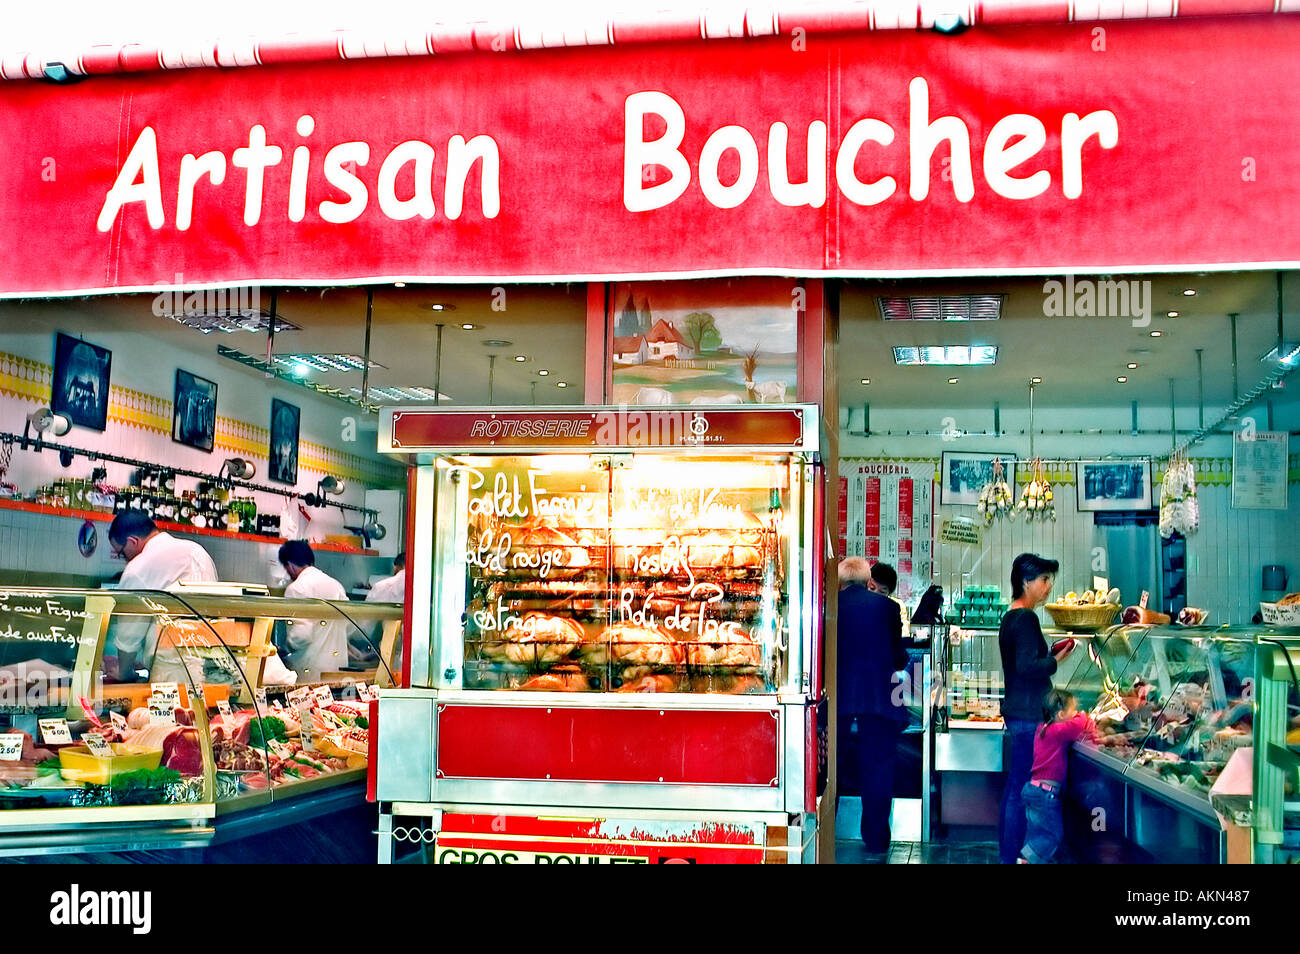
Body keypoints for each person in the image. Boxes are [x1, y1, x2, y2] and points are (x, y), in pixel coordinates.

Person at [997, 552, 1074, 864]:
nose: (1048, 587)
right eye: (1044, 580)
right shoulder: (1026, 618)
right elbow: (1028, 666)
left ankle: (1010, 854)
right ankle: (1015, 856)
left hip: (1019, 714)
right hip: (1030, 717)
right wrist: (1056, 660)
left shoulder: (1011, 616)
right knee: (1020, 791)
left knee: (1015, 789)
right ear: (1026, 582)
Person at [837, 556, 908, 858]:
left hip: (837, 697)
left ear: (840, 581)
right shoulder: (888, 608)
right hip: (880, 698)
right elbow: (898, 657)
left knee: (830, 768)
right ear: (869, 580)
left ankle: (826, 831)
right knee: (877, 768)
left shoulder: (828, 606)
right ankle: (876, 839)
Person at [107, 510, 218, 680]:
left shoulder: (138, 568)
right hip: (213, 668)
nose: (125, 559)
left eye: (122, 553)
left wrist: (124, 673)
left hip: (172, 670)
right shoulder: (198, 551)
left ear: (132, 541)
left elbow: (129, 635)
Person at [1020, 690, 1097, 864]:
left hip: (1034, 790)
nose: (1076, 713)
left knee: (1035, 833)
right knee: (1053, 835)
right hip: (1045, 795)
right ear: (1061, 714)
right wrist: (1083, 716)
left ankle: (1028, 859)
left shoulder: (1043, 728)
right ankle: (1025, 860)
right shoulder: (1058, 731)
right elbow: (1078, 725)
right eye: (1073, 711)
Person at [279, 540, 349, 682]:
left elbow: (300, 636)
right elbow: (349, 627)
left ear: (290, 565)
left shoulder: (296, 588)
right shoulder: (336, 585)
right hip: (338, 666)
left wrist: (284, 649)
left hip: (310, 670)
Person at [867, 561, 910, 642]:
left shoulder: (893, 608)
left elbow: (901, 635)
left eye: (882, 592)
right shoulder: (858, 606)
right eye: (872, 588)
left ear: (889, 593)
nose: (875, 594)